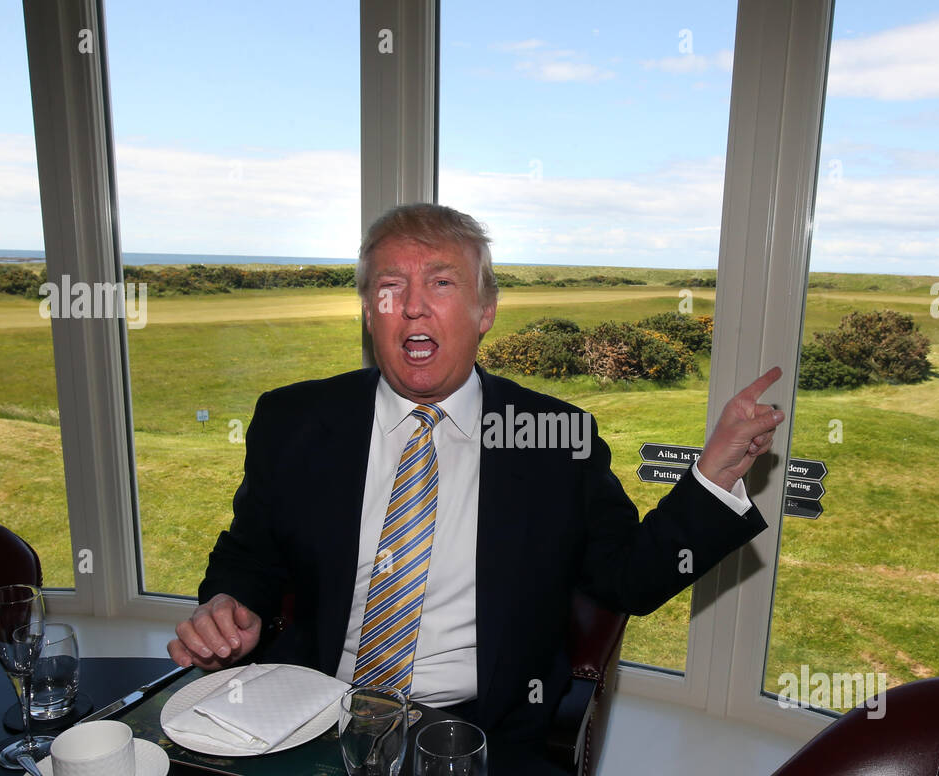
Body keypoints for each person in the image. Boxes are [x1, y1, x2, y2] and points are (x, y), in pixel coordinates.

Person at [168, 203, 784, 742]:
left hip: (480, 738)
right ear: (367, 309)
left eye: (441, 283)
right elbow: (249, 557)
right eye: (389, 286)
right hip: (309, 719)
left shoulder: (555, 437)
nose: (411, 306)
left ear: (485, 310)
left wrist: (712, 476)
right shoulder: (293, 420)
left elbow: (631, 580)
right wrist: (228, 602)